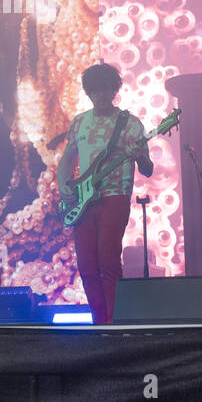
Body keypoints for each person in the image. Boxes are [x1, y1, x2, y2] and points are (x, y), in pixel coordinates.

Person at [57, 63, 154, 324]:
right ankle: (98, 322)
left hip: (115, 195)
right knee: (86, 265)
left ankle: (115, 324)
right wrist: (63, 184)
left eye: (106, 89)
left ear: (114, 90)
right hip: (83, 199)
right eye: (95, 91)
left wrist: (140, 157)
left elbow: (147, 169)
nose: (101, 95)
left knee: (108, 261)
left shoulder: (130, 123)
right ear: (88, 93)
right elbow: (67, 159)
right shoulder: (79, 123)